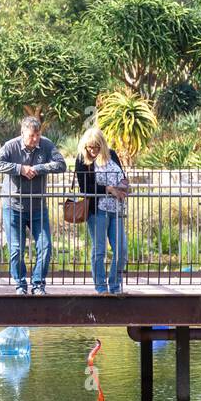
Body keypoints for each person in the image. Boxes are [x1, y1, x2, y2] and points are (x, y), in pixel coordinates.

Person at [0, 116, 66, 295]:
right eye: (31, 135)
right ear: (23, 133)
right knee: (16, 248)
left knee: (45, 247)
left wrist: (39, 169)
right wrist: (19, 169)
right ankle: (20, 284)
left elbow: (61, 165)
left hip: (38, 206)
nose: (35, 139)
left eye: (38, 135)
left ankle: (38, 284)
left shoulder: (46, 145)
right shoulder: (11, 146)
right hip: (13, 205)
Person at [74, 126, 128, 294]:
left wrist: (124, 185)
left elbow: (122, 175)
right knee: (99, 250)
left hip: (116, 209)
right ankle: (100, 286)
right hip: (97, 210)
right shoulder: (82, 159)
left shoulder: (111, 155)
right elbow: (85, 187)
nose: (93, 150)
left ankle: (115, 285)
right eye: (90, 147)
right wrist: (108, 189)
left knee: (121, 249)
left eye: (97, 147)